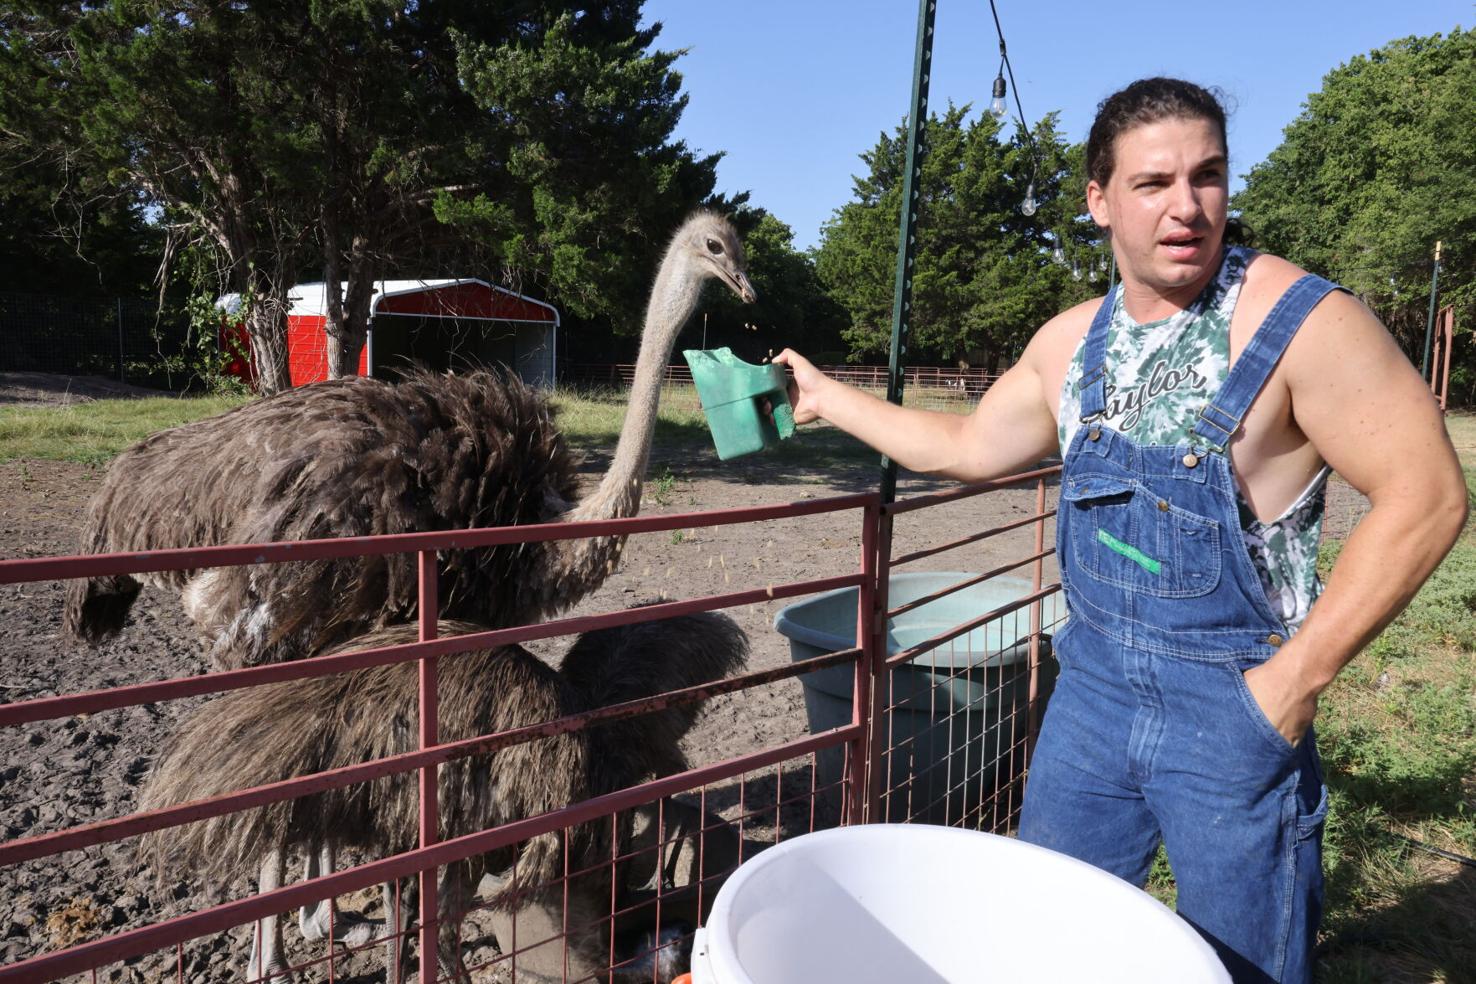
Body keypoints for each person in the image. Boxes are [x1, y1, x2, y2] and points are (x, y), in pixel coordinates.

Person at [773, 77, 1467, 984]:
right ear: (1099, 201)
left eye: (1208, 176)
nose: (1188, 207)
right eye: (1153, 183)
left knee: (1243, 967)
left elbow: (1429, 495)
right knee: (1047, 943)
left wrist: (1291, 687)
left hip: (1236, 705)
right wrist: (826, 398)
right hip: (1090, 694)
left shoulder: (1303, 323)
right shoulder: (1071, 343)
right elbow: (972, 444)